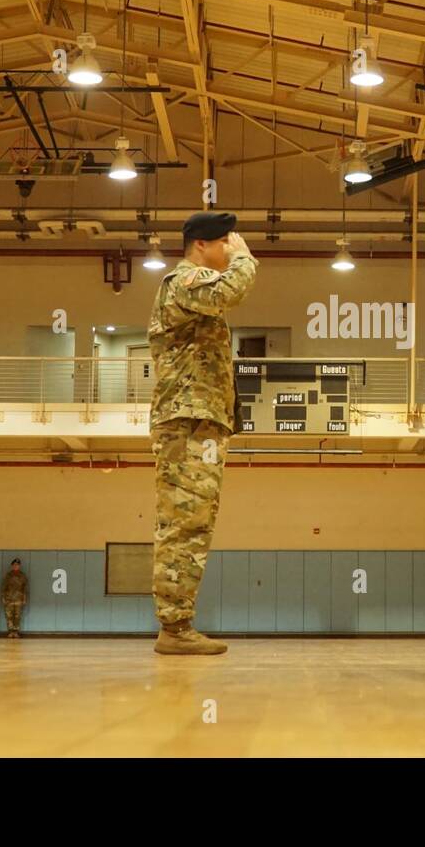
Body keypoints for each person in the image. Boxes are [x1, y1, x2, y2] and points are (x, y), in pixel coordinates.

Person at [149, 212, 257, 655]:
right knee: (183, 522)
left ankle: (179, 625)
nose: (229, 250)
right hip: (186, 419)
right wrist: (246, 258)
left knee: (196, 523)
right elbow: (231, 289)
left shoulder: (192, 286)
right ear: (201, 246)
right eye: (224, 244)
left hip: (202, 419)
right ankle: (173, 629)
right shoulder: (184, 282)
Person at [1, 559, 27, 637]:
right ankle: (10, 631)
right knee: (9, 616)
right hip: (9, 598)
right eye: (14, 565)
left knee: (17, 616)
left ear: (19, 566)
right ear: (12, 566)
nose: (16, 566)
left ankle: (16, 632)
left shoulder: (22, 575)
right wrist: (3, 597)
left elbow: (25, 588)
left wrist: (24, 598)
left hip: (19, 598)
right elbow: (3, 587)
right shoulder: (8, 575)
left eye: (17, 565)